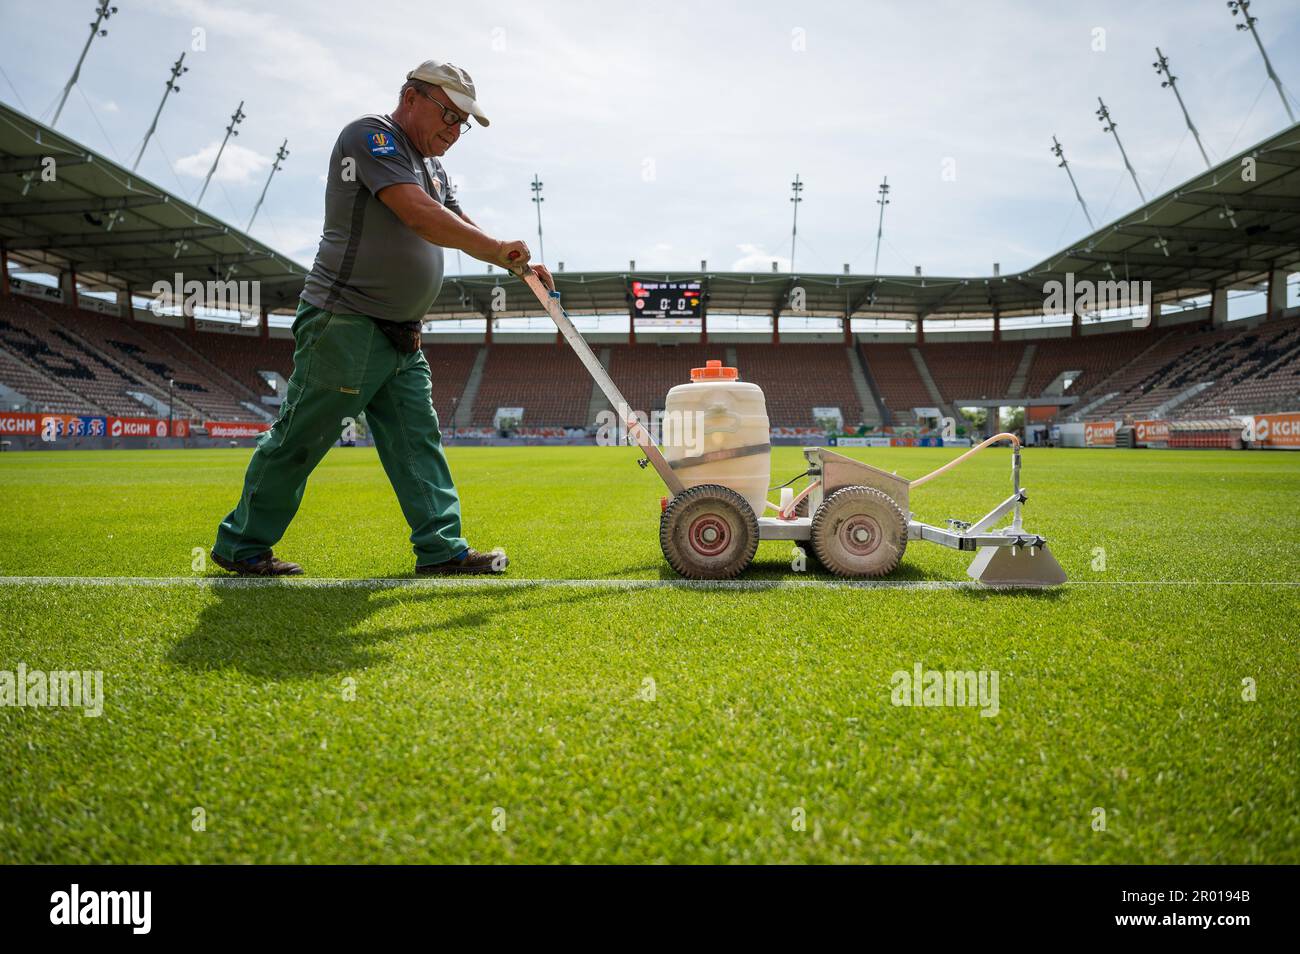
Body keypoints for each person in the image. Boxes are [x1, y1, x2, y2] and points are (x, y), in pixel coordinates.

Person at [211, 60, 552, 576]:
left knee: (418, 442)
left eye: (464, 124)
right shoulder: (372, 137)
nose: (456, 131)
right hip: (345, 322)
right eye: (450, 115)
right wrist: (497, 249)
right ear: (411, 96)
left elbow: (458, 221)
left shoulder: (435, 167)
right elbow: (416, 212)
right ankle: (242, 545)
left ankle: (442, 550)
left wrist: (516, 262)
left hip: (401, 335)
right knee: (301, 438)